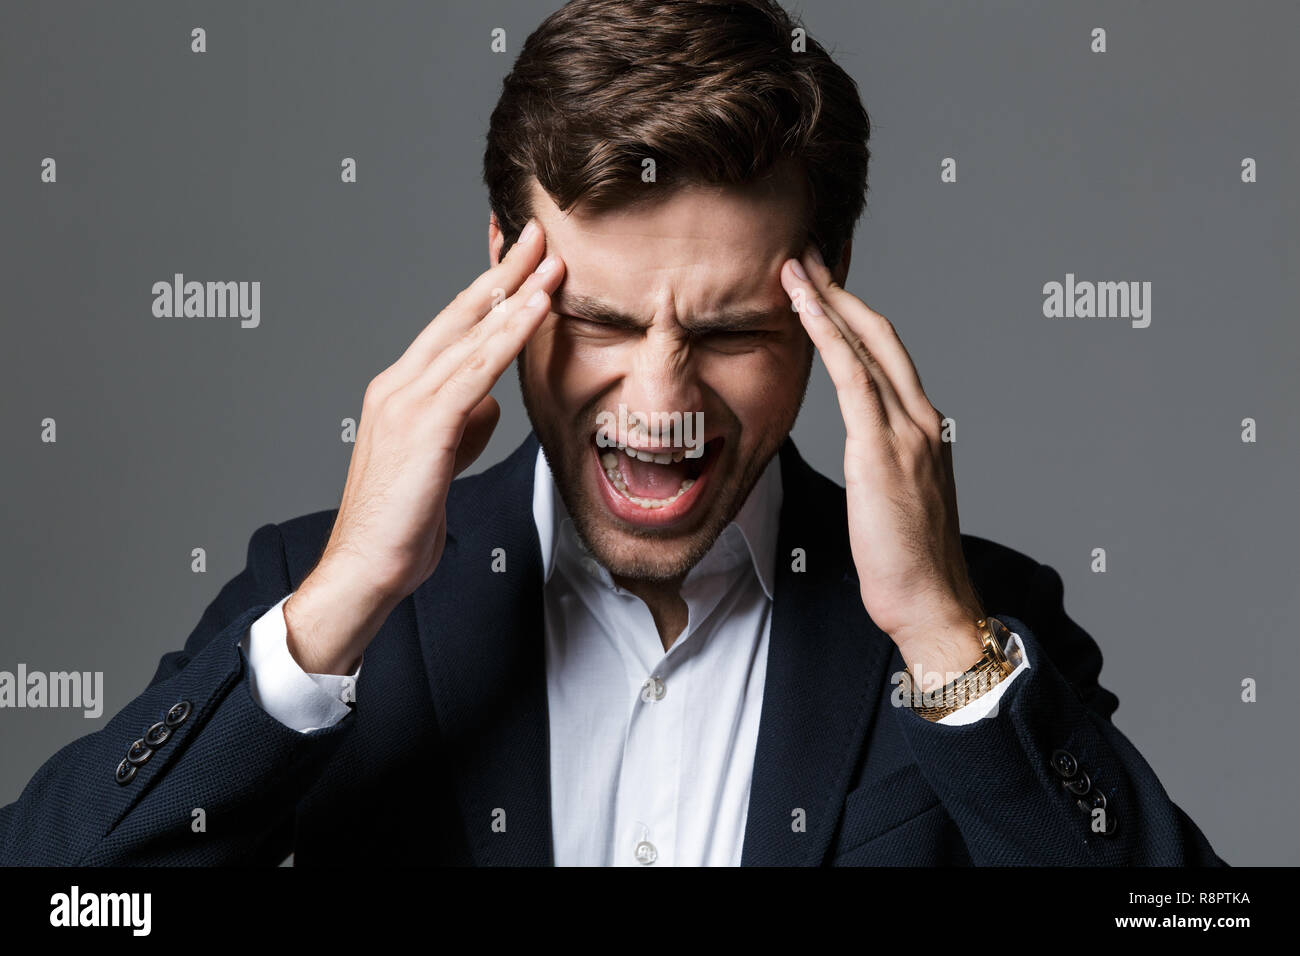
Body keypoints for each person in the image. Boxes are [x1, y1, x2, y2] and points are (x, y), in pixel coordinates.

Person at [0, 0, 1223, 866]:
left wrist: (942, 640)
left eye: (734, 329)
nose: (658, 400)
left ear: (831, 280)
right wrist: (340, 605)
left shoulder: (983, 622)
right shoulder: (324, 601)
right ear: (502, 266)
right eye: (596, 317)